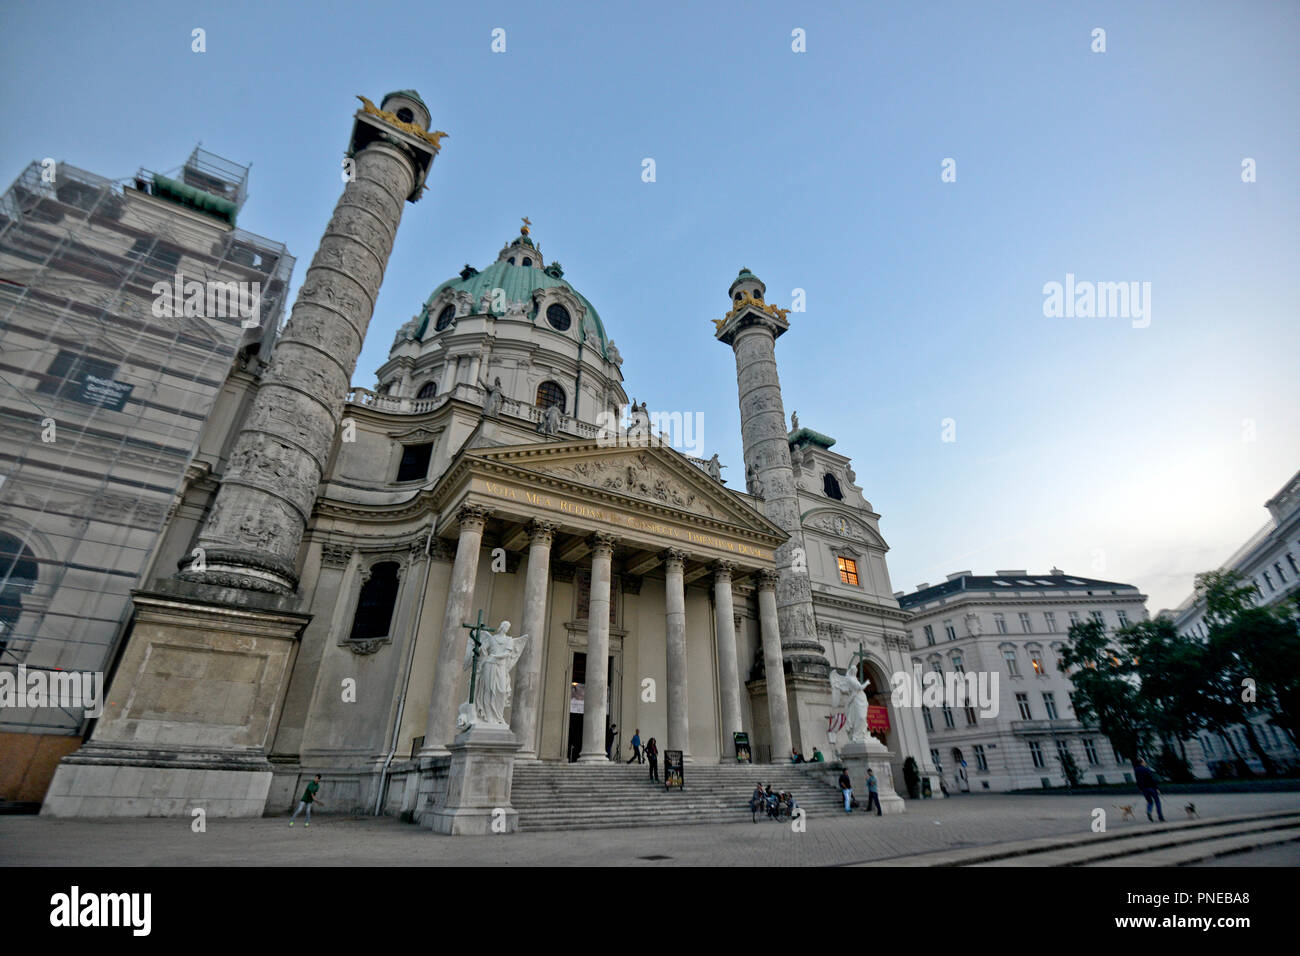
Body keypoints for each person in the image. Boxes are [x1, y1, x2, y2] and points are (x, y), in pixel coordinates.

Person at [1134, 757, 1165, 822]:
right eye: (1144, 761)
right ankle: (1160, 817)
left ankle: (1149, 811)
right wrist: (1157, 788)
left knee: (1149, 801)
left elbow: (1138, 780)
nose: (1145, 762)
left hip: (1144, 789)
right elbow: (1152, 779)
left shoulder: (1136, 770)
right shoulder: (1146, 769)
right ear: (1141, 762)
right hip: (1151, 788)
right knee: (1157, 802)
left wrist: (1140, 789)